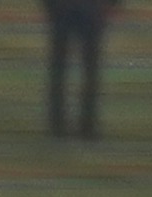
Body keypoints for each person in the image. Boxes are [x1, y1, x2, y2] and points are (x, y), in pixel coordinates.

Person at [44, 0, 119, 137]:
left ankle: (75, 125)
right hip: (81, 10)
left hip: (77, 11)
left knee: (77, 71)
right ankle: (73, 125)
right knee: (82, 71)